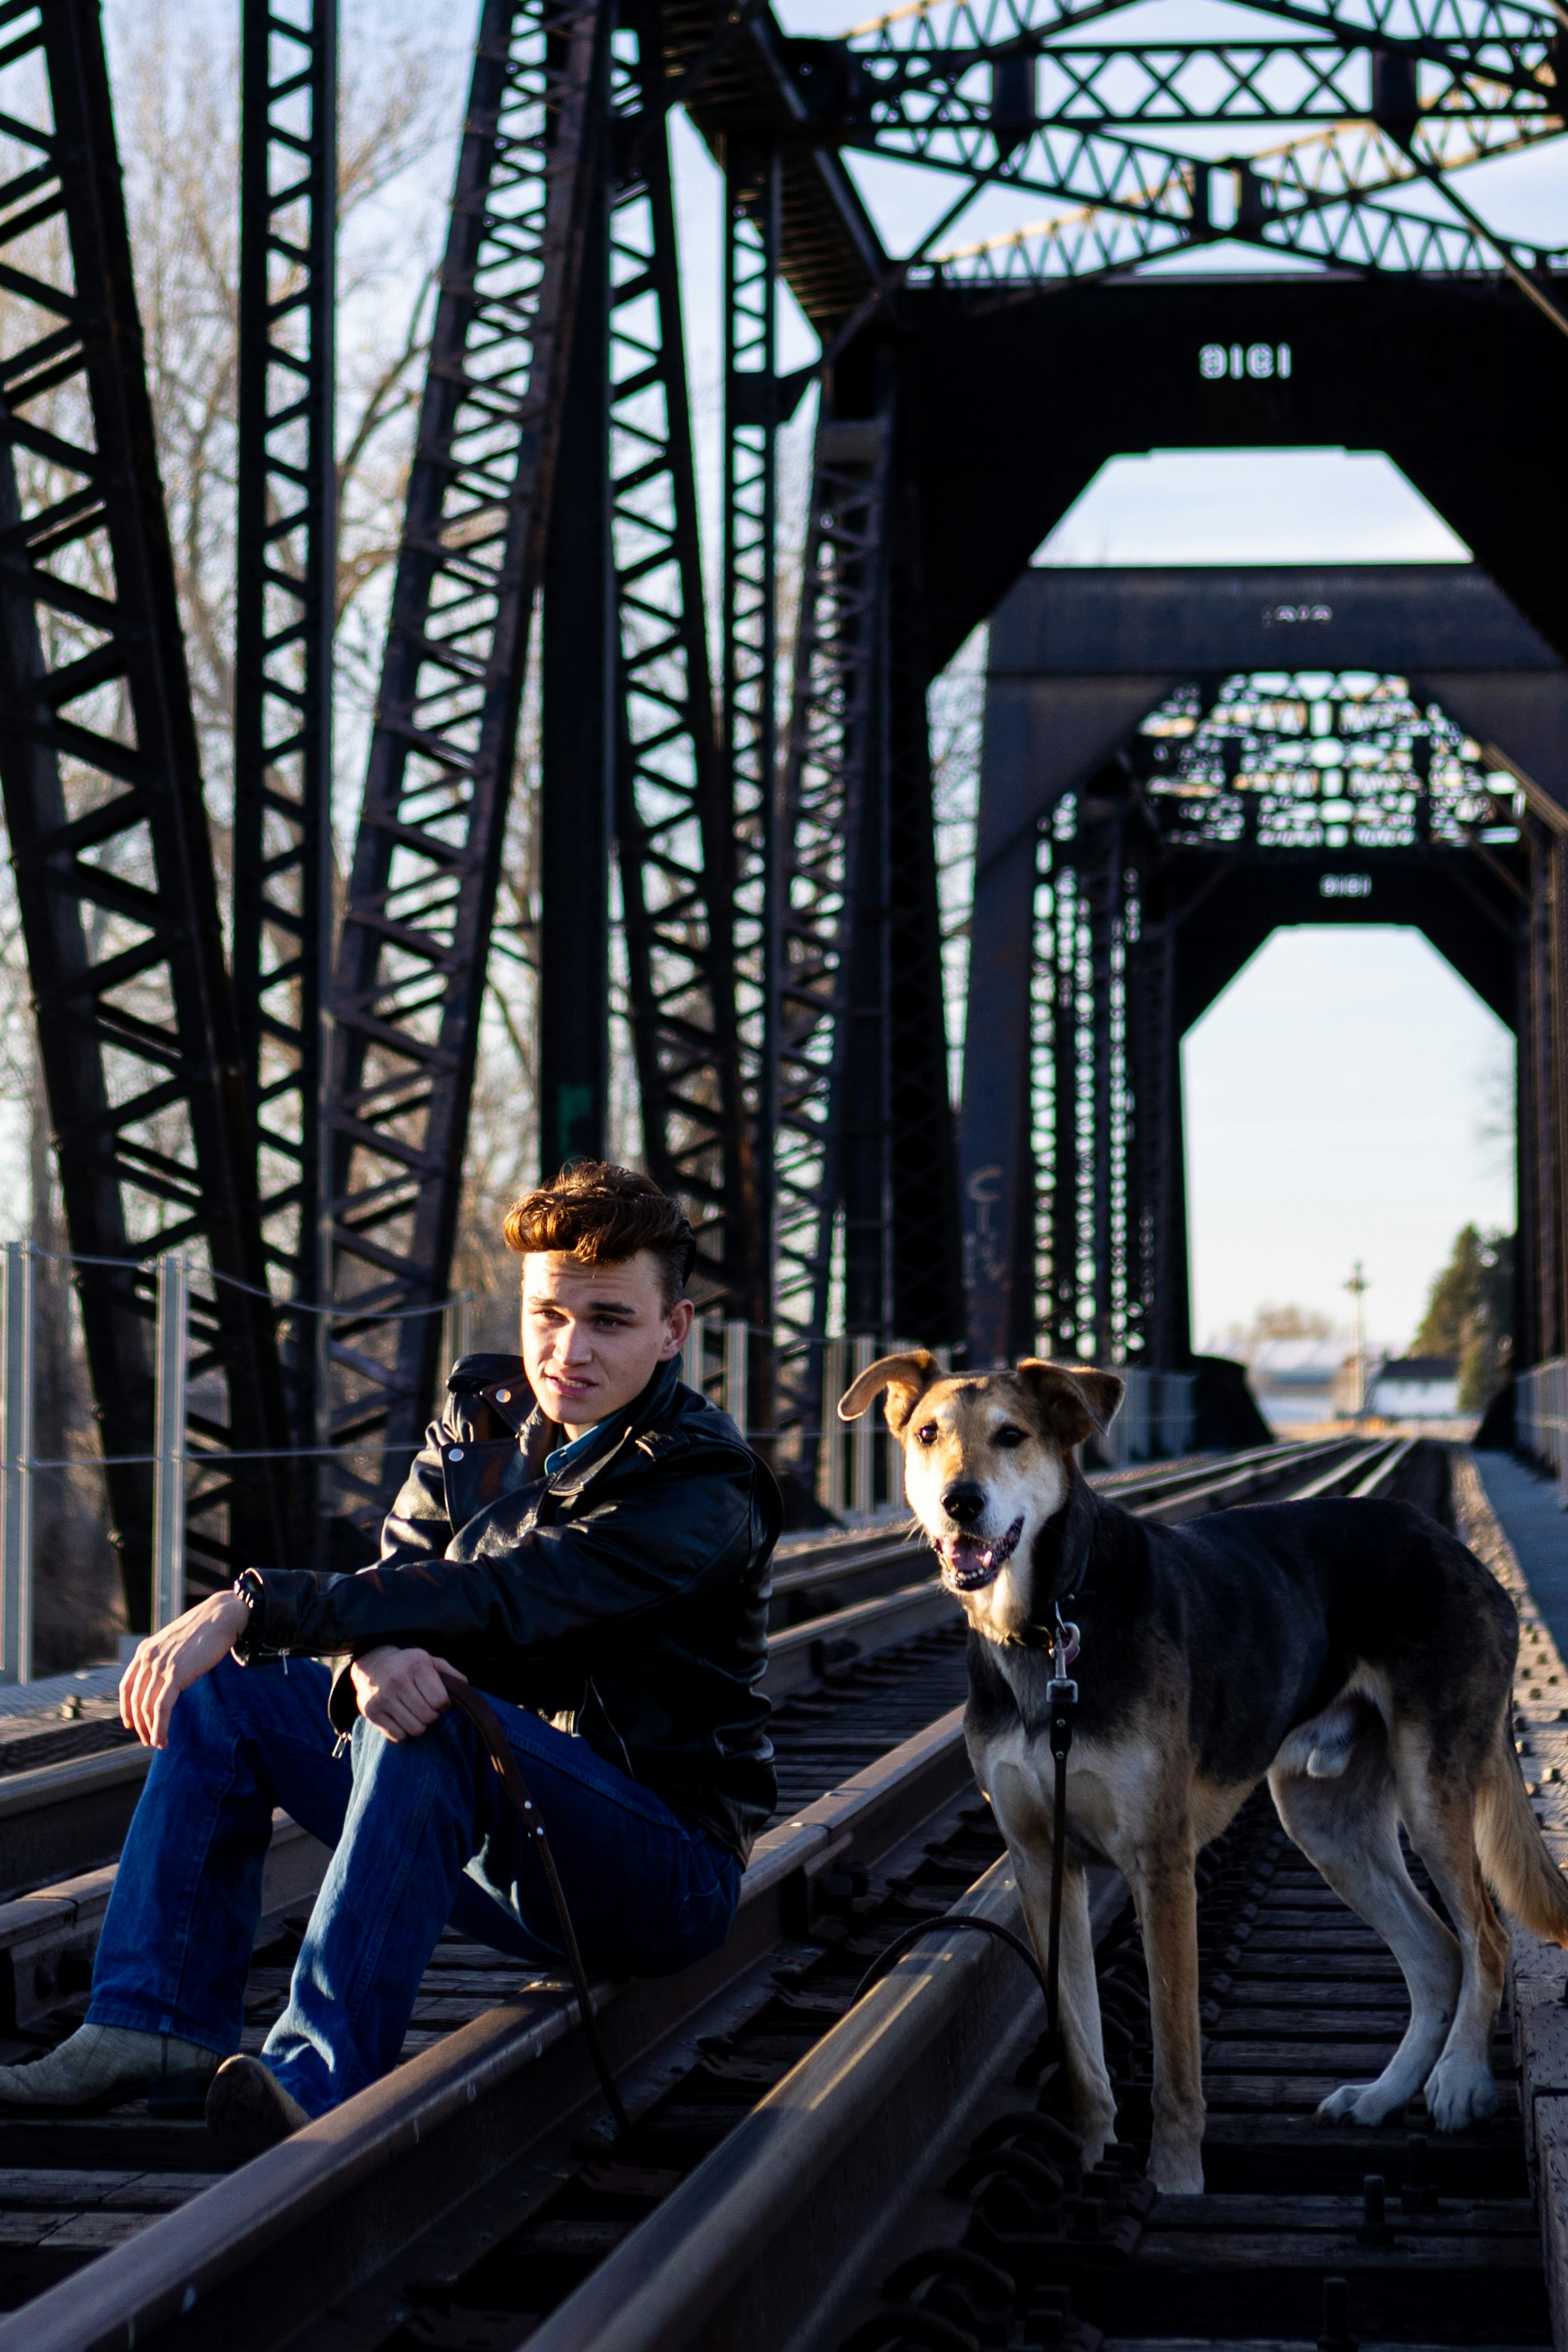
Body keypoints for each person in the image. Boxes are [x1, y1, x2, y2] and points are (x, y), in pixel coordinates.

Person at [0, 1163, 779, 2163]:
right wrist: (360, 1653)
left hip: (655, 1868)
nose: (568, 1349)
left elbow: (503, 1597)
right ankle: (150, 2030)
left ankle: (315, 2080)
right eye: (548, 1314)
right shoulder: (483, 1421)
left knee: (431, 1716)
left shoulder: (701, 1485)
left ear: (672, 1330)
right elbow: (403, 1578)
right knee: (233, 1691)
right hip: (503, 1831)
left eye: (609, 1321)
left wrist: (256, 1602)